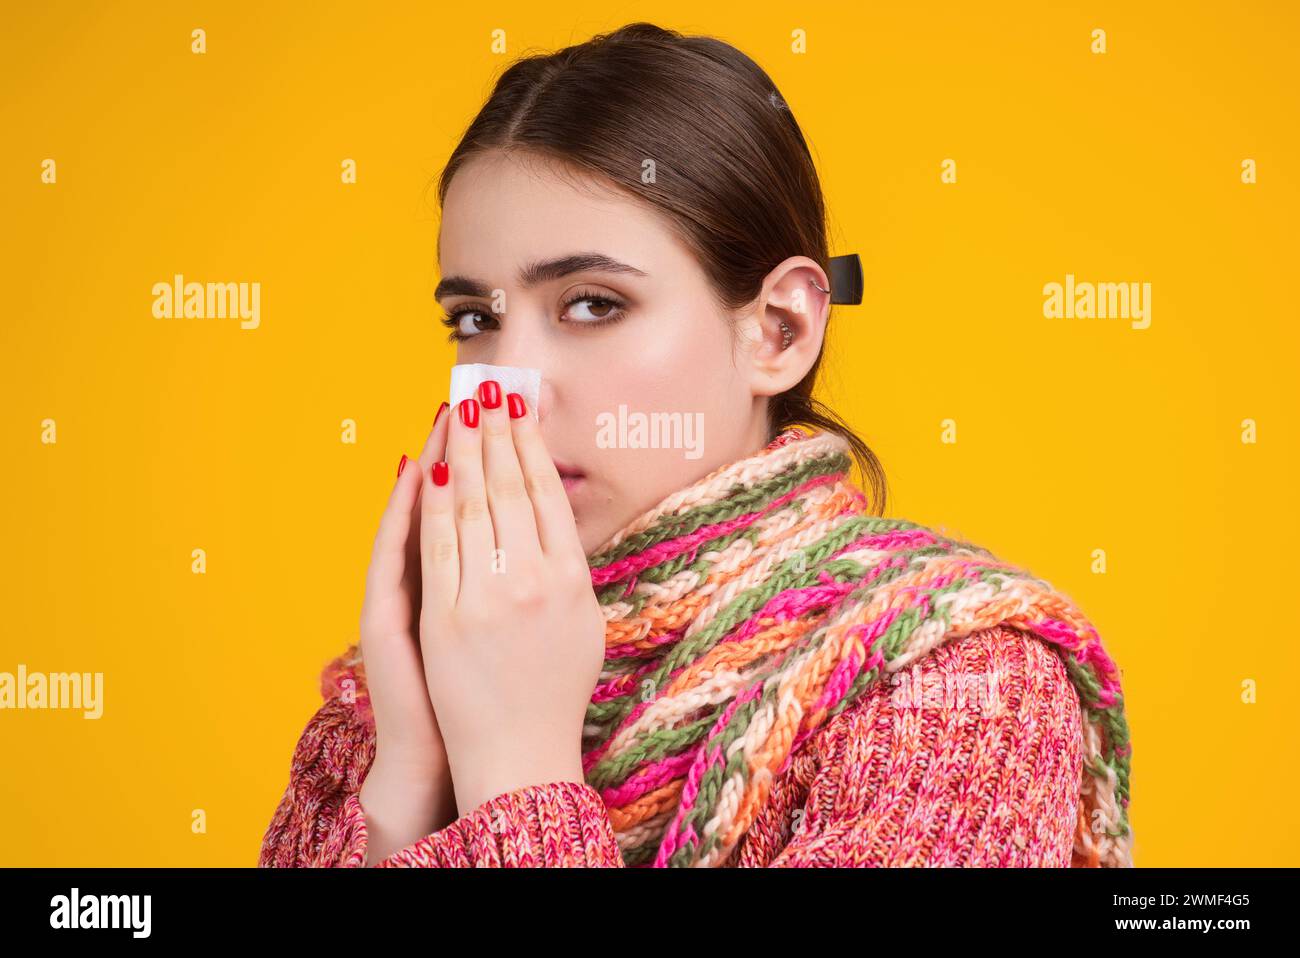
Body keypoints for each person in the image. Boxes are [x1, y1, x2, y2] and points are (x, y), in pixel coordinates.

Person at [258, 22, 1133, 868]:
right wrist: (406, 785)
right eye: (475, 319)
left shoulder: (962, 684)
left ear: (780, 330)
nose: (508, 389)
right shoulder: (400, 693)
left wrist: (513, 764)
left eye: (593, 302)